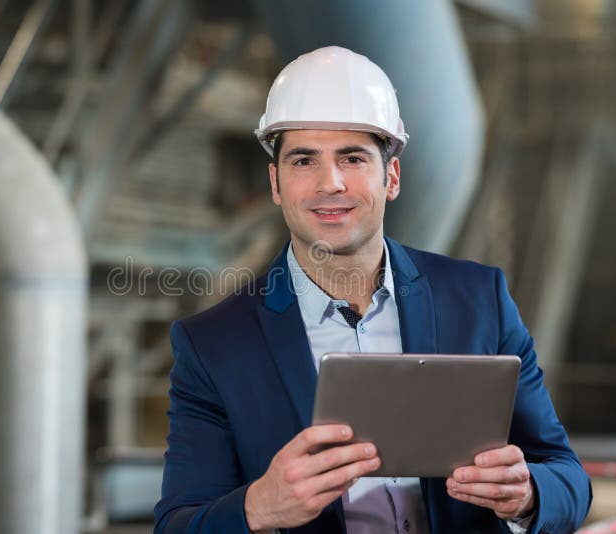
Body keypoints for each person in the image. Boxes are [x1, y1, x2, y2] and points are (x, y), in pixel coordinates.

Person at [154, 46, 591, 534]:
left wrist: (527, 494)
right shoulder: (213, 346)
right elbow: (178, 525)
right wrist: (258, 507)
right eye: (303, 161)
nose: (330, 182)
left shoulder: (478, 301)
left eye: (353, 157)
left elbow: (568, 478)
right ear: (275, 183)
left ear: (392, 177)